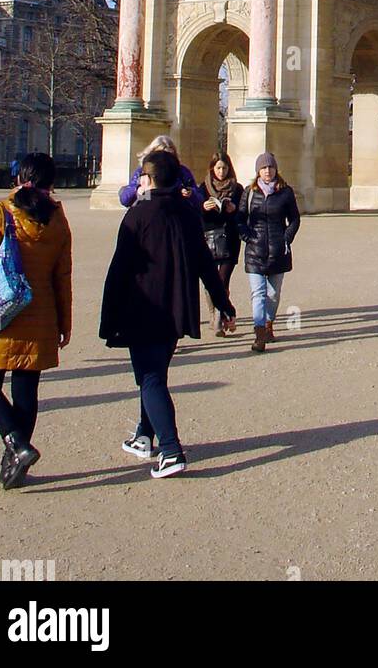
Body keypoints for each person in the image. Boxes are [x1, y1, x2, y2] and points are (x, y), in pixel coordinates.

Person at [100, 149, 235, 478]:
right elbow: (205, 264)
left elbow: (118, 271)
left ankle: (172, 451)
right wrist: (223, 303)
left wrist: (108, 319)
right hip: (176, 309)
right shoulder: (187, 213)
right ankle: (144, 437)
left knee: (149, 379)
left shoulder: (137, 215)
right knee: (154, 376)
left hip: (143, 307)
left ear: (147, 179)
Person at [0, 152, 72, 490]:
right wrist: (64, 323)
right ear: (51, 183)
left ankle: (16, 444)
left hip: (0, 314)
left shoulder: (2, 211)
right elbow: (62, 277)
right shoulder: (58, 220)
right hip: (40, 315)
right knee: (26, 391)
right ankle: (16, 457)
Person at [240, 153, 300, 354]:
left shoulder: (285, 192)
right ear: (258, 170)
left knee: (273, 294)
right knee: (258, 293)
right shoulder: (249, 192)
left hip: (278, 249)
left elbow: (294, 219)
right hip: (254, 251)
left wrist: (286, 238)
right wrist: (247, 236)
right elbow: (240, 218)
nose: (268, 171)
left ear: (276, 169)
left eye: (271, 167)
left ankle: (268, 322)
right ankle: (259, 333)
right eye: (264, 168)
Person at [201, 154, 243, 336]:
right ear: (212, 169)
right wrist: (202, 207)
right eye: (218, 168)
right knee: (210, 281)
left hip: (230, 239)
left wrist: (235, 210)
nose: (221, 172)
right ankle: (219, 314)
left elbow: (244, 214)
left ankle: (221, 315)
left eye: (224, 168)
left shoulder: (238, 188)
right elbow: (194, 215)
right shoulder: (202, 188)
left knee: (222, 280)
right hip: (208, 238)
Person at [118, 135, 204, 211]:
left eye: (169, 156)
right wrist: (138, 191)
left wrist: (190, 193)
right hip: (150, 212)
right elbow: (125, 199)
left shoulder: (182, 171)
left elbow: (199, 199)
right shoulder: (143, 172)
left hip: (176, 212)